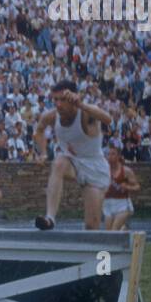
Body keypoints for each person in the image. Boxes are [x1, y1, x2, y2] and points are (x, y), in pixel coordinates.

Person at [32, 80, 113, 230]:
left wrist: (81, 104)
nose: (58, 104)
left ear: (72, 98)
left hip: (95, 168)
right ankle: (50, 218)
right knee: (58, 162)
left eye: (63, 99)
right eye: (55, 99)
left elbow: (108, 119)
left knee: (91, 225)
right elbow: (39, 130)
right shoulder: (51, 116)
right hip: (72, 163)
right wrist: (43, 153)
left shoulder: (86, 114)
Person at [102, 145, 141, 230]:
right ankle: (124, 230)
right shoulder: (104, 170)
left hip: (122, 203)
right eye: (108, 154)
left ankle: (122, 229)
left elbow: (137, 187)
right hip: (107, 203)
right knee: (108, 233)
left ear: (119, 156)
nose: (110, 156)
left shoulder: (126, 171)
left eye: (113, 154)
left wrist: (127, 187)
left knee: (114, 231)